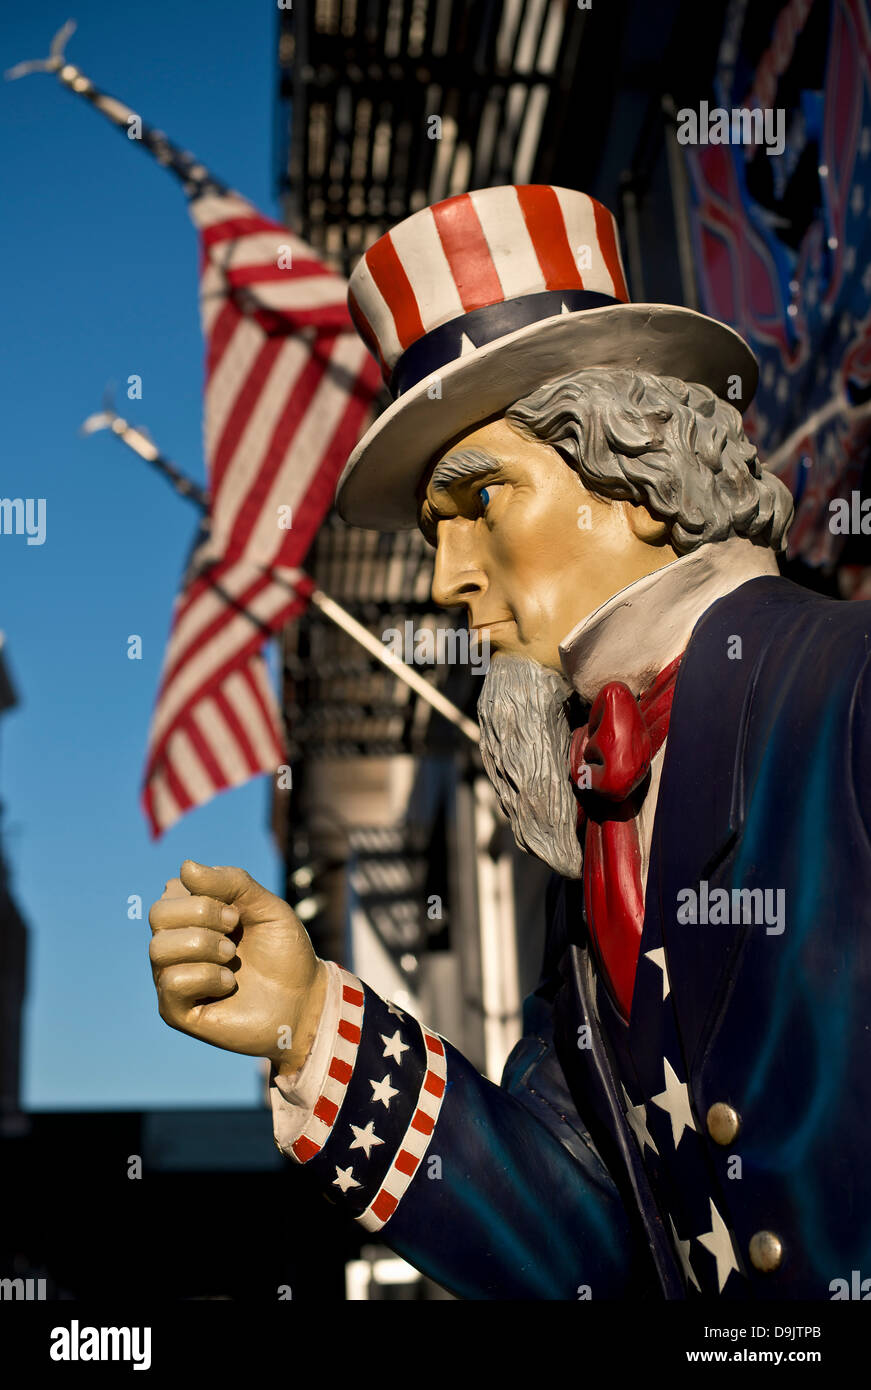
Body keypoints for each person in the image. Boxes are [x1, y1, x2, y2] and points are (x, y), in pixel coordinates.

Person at [148, 186, 871, 1300]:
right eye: (436, 533)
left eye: (479, 497)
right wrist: (307, 1023)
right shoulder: (593, 851)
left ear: (632, 477)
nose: (446, 580)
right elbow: (584, 1232)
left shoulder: (845, 690)